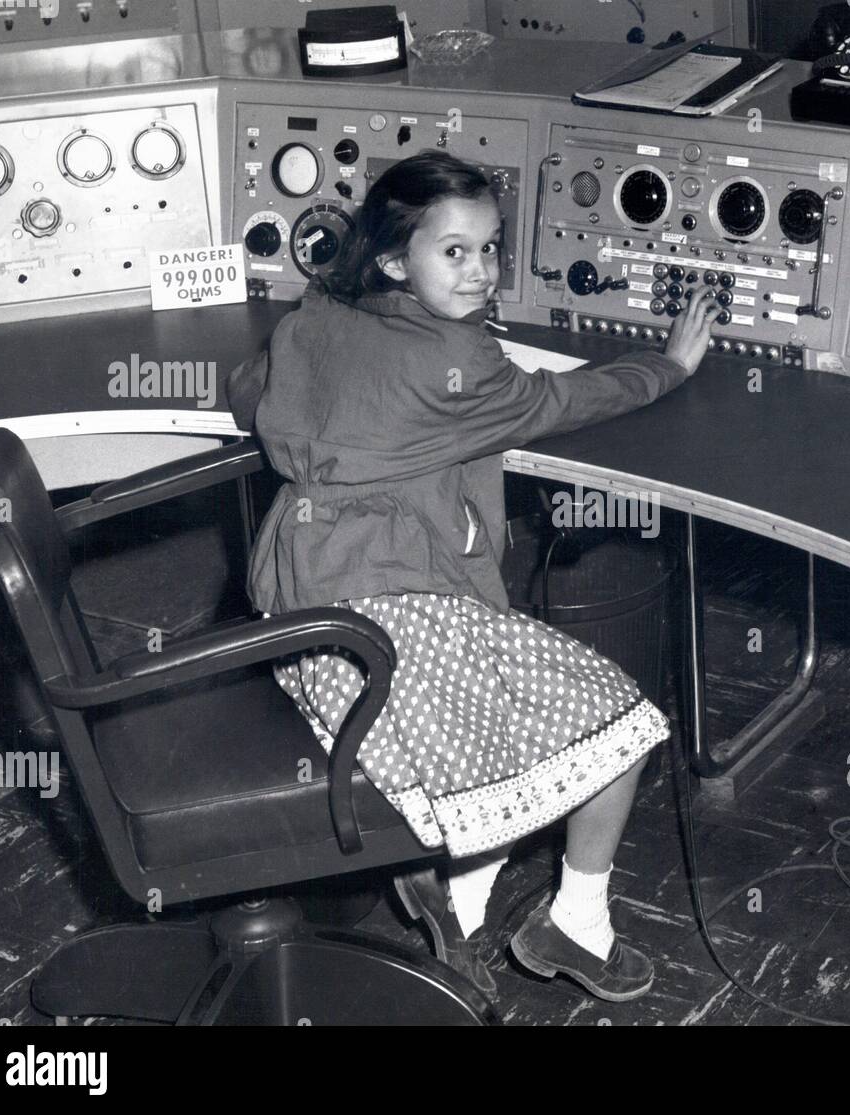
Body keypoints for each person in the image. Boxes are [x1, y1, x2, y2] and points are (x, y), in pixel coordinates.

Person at [227, 150, 718, 1002]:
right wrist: (669, 366)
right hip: (387, 626)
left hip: (302, 614)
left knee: (506, 712)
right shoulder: (455, 360)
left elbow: (251, 396)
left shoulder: (310, 318)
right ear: (391, 260)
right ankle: (576, 921)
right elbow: (559, 403)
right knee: (626, 728)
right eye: (454, 252)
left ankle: (461, 892)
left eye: (490, 249)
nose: (482, 270)